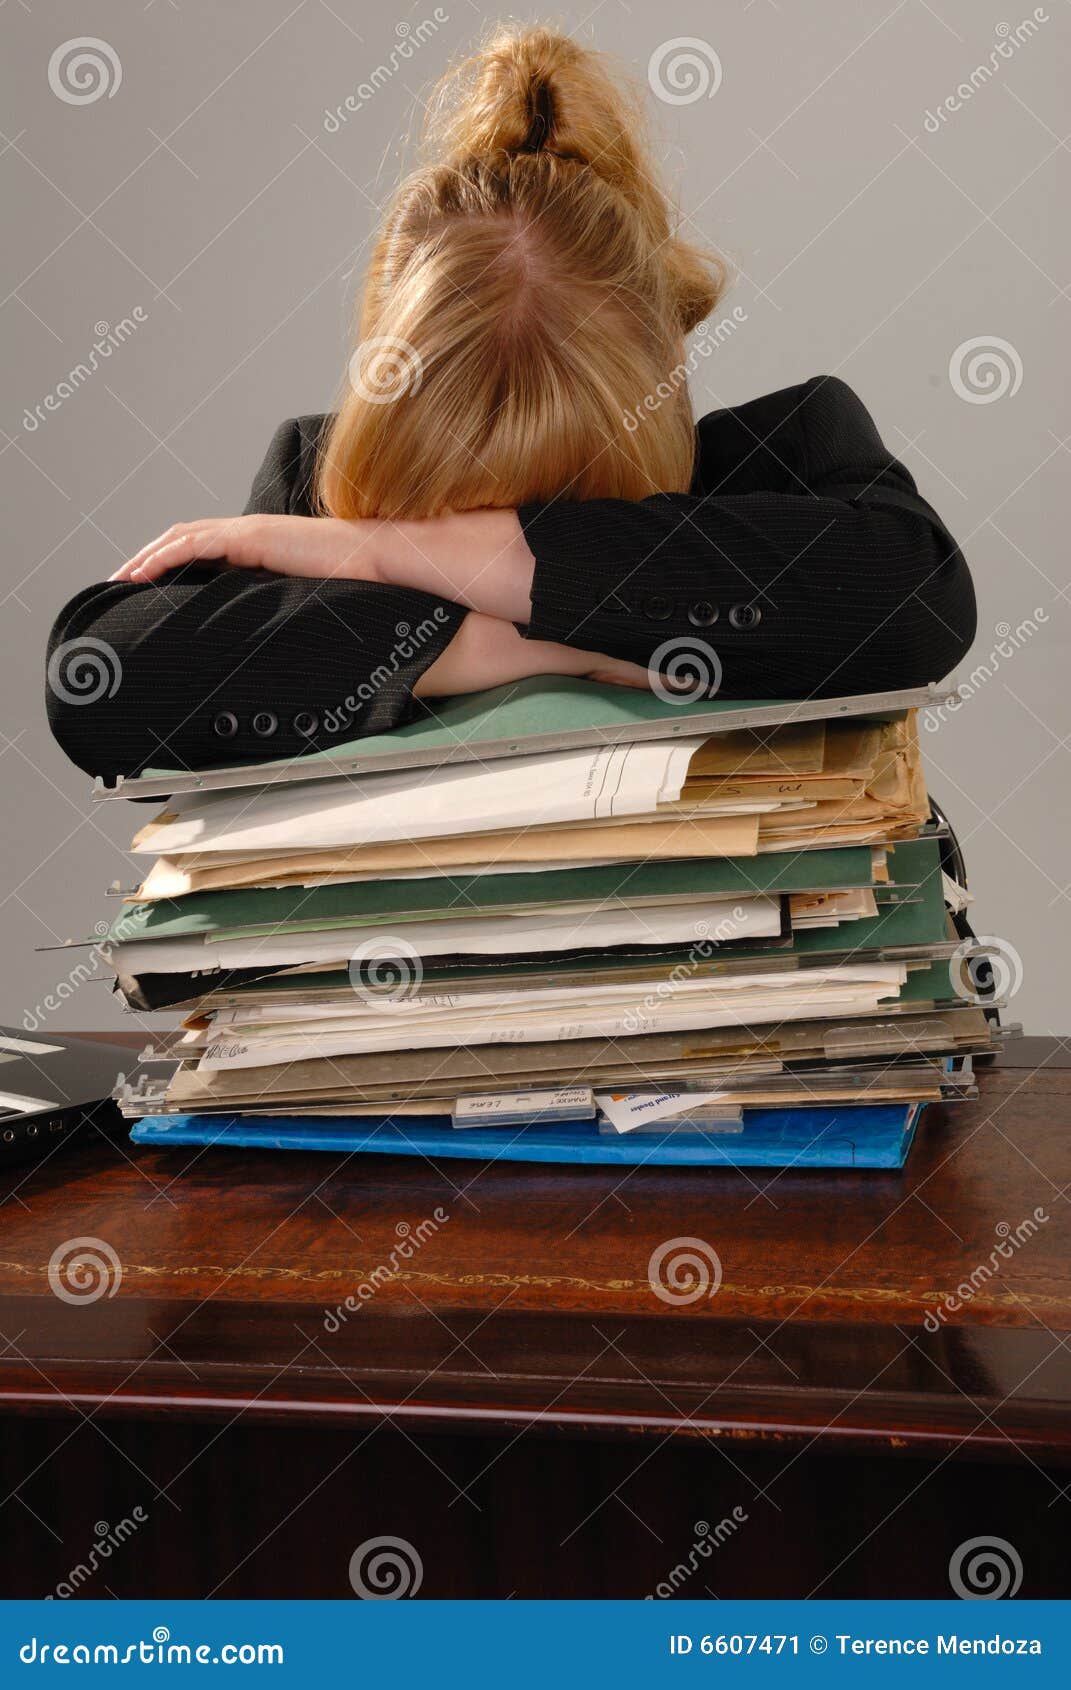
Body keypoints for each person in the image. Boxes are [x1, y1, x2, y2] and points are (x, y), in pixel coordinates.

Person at [46, 26, 975, 782]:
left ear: (664, 364)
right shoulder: (311, 483)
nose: (492, 521)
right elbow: (99, 681)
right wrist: (529, 645)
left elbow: (917, 606)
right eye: (449, 512)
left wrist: (394, 553)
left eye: (545, 505)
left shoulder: (787, 455)